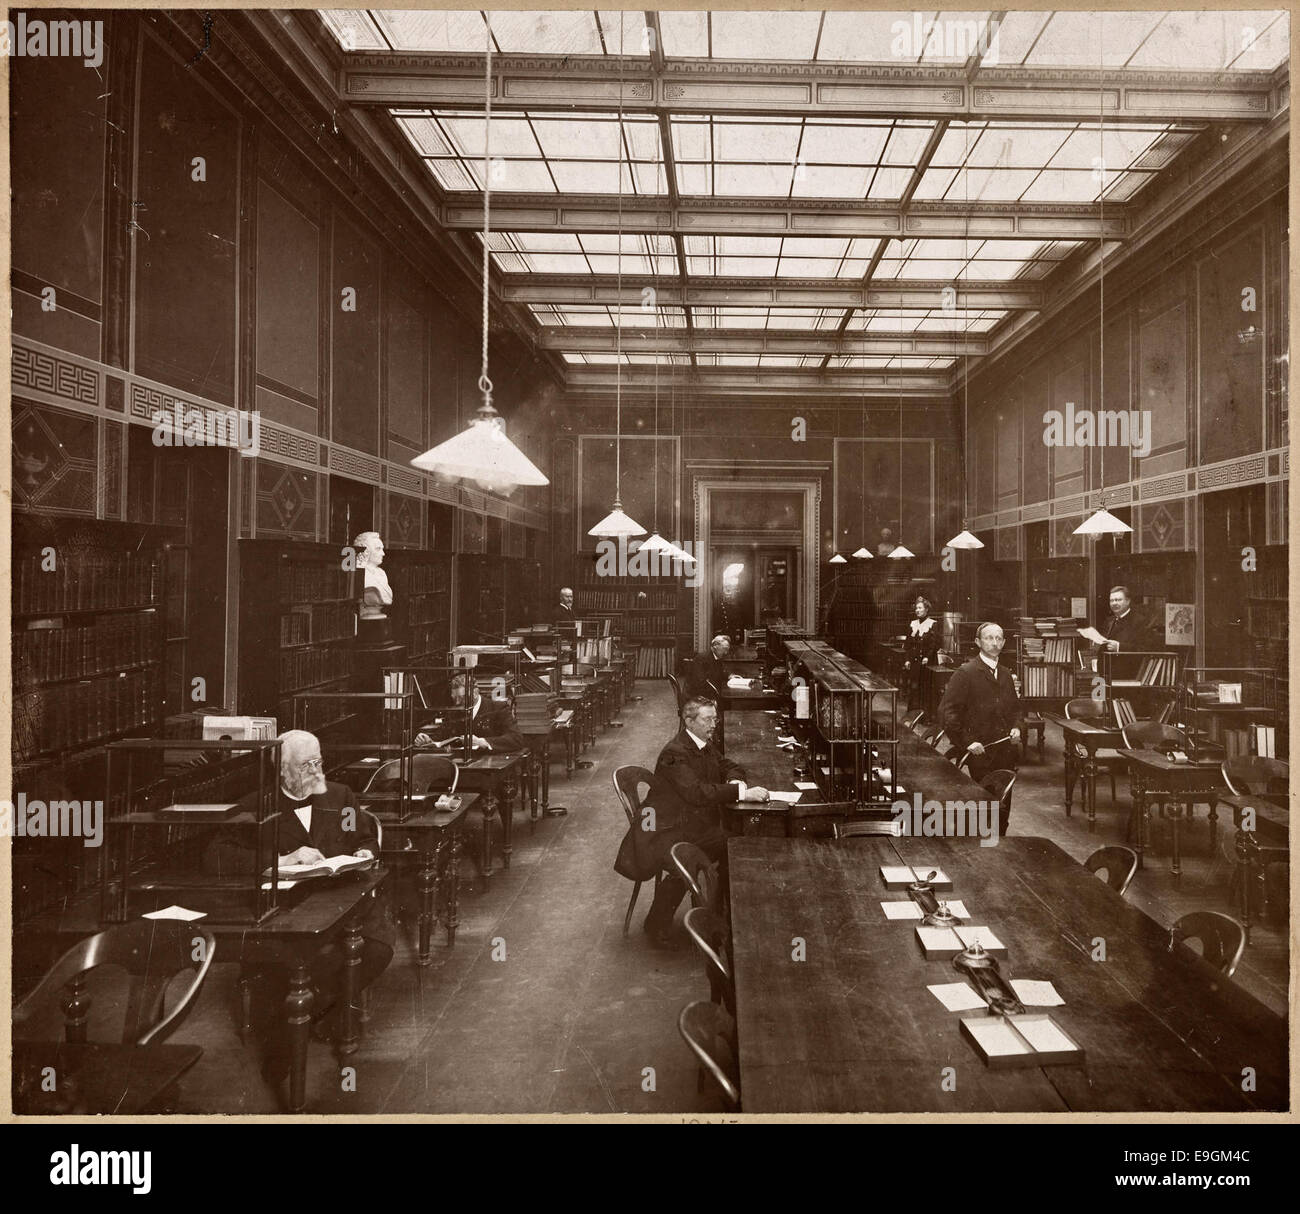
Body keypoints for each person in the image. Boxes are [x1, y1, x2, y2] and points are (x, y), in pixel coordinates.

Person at [205, 730, 395, 1083]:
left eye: (318, 761)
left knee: (380, 949)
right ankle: (291, 1040)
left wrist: (366, 852)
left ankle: (312, 1016)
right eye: (305, 765)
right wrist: (279, 859)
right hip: (287, 912)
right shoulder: (255, 805)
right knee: (303, 959)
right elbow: (217, 855)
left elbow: (365, 837)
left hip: (342, 903)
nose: (315, 771)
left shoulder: (340, 797)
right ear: (281, 769)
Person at [632, 697, 768, 948]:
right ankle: (657, 924)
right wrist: (741, 793)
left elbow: (730, 765)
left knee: (730, 842)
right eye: (708, 719)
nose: (713, 724)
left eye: (714, 718)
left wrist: (736, 781)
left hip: (686, 824)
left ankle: (719, 912)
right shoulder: (674, 753)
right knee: (712, 850)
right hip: (662, 830)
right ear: (689, 721)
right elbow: (697, 793)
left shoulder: (701, 743)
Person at [937, 623, 1023, 832]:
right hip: (979, 754)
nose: (994, 643)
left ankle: (1000, 850)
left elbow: (1016, 710)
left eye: (998, 638)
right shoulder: (966, 673)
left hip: (1005, 753)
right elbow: (946, 713)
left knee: (1002, 812)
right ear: (978, 642)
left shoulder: (1005, 673)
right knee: (983, 812)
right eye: (989, 638)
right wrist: (967, 742)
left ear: (1003, 642)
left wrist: (1017, 727)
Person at [415, 670, 523, 752]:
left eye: (462, 698)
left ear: (475, 693)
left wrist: (483, 742)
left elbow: (516, 739)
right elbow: (442, 736)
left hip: (489, 769)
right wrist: (428, 740)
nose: (457, 702)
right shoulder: (454, 712)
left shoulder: (497, 708)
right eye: (454, 698)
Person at [902, 596, 941, 705]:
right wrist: (907, 659)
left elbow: (934, 645)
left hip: (928, 662)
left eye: (920, 608)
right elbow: (908, 644)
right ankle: (913, 714)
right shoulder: (913, 624)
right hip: (914, 662)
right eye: (916, 608)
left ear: (926, 609)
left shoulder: (933, 624)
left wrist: (927, 657)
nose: (917, 610)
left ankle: (926, 717)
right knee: (914, 687)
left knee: (926, 688)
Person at [1099, 585, 1157, 653]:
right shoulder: (1109, 621)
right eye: (1111, 600)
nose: (1114, 603)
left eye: (1118, 600)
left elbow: (1145, 649)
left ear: (1128, 601)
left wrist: (1119, 647)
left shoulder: (1140, 622)